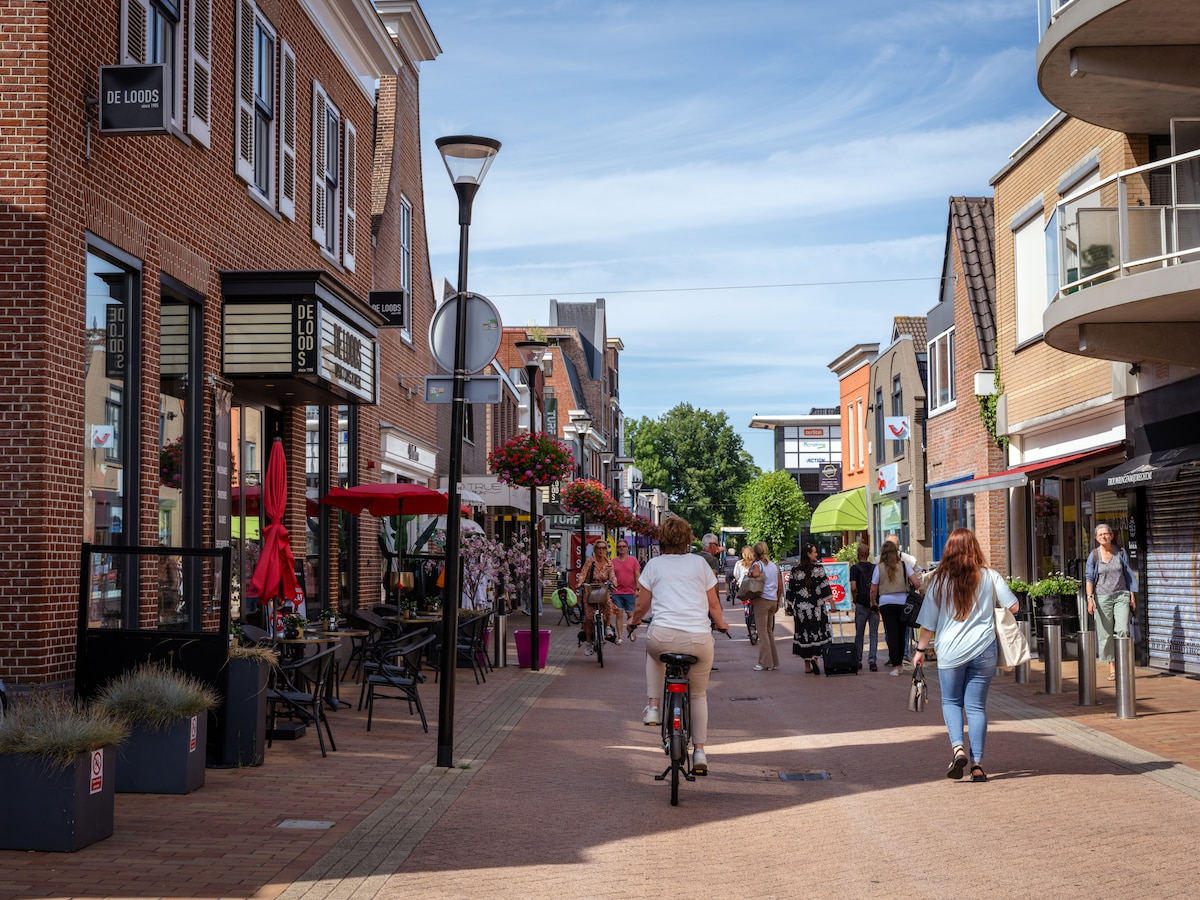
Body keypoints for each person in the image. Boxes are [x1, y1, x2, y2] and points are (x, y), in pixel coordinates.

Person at [914, 528, 1019, 783]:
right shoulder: (990, 576)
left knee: (951, 702)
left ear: (949, 550)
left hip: (950, 651)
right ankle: (977, 765)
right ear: (975, 548)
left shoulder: (939, 581)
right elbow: (1014, 606)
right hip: (984, 650)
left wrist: (920, 651)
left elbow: (928, 623)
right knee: (976, 707)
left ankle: (958, 748)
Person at [629, 516, 728, 775]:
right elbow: (714, 604)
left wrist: (633, 621)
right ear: (687, 539)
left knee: (653, 654)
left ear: (663, 539)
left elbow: (642, 605)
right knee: (698, 695)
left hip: (662, 636)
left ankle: (653, 707)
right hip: (698, 639)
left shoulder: (654, 564)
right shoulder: (700, 564)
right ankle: (700, 751)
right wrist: (721, 624)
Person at [1085, 523, 1138, 681]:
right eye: (1100, 535)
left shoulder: (1120, 552)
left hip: (1121, 595)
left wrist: (1132, 595)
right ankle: (1113, 667)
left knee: (1122, 630)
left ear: (1111, 535)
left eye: (1106, 534)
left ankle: (1124, 664)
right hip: (1102, 597)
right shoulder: (1094, 555)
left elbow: (1128, 575)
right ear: (1096, 538)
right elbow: (1089, 578)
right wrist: (1089, 598)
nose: (1103, 536)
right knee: (1105, 634)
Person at [871, 540, 922, 674]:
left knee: (891, 633)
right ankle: (900, 661)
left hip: (886, 603)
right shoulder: (904, 565)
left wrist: (873, 602)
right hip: (903, 603)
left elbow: (873, 588)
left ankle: (896, 665)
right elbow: (917, 583)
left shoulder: (879, 568)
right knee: (901, 633)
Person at [787, 541, 833, 674]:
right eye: (814, 552)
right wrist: (832, 603)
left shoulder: (795, 570)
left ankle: (807, 666)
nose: (817, 554)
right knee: (817, 632)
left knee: (804, 634)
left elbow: (790, 590)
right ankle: (815, 657)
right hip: (816, 608)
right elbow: (825, 587)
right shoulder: (818, 569)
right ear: (808, 554)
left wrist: (789, 606)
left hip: (801, 609)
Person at [576, 541, 616, 654]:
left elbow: (612, 575)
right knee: (589, 618)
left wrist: (614, 582)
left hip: (603, 589)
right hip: (590, 590)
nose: (601, 550)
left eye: (603, 548)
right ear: (595, 550)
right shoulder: (590, 561)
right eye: (598, 548)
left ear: (606, 550)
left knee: (609, 606)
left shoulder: (609, 563)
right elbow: (583, 574)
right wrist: (580, 583)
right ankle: (588, 643)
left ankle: (607, 627)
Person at [748, 542, 782, 671]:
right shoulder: (773, 565)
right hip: (773, 599)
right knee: (769, 631)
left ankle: (764, 662)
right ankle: (773, 661)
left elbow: (756, 574)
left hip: (762, 599)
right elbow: (780, 584)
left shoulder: (758, 564)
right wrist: (777, 600)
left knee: (762, 631)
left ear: (755, 553)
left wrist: (750, 574)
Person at [849, 542, 879, 671]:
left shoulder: (854, 569)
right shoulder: (875, 568)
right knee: (873, 634)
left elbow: (853, 587)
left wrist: (855, 599)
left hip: (861, 603)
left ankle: (858, 660)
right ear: (868, 554)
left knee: (859, 634)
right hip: (874, 604)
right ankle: (872, 661)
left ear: (858, 554)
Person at [610, 538, 641, 645]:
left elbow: (637, 575)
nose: (621, 548)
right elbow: (611, 576)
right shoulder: (613, 562)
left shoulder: (633, 560)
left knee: (630, 615)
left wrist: (637, 589)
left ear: (627, 548)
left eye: (623, 546)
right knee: (619, 614)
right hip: (617, 592)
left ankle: (630, 629)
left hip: (630, 592)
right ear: (617, 549)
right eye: (619, 547)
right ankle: (620, 637)